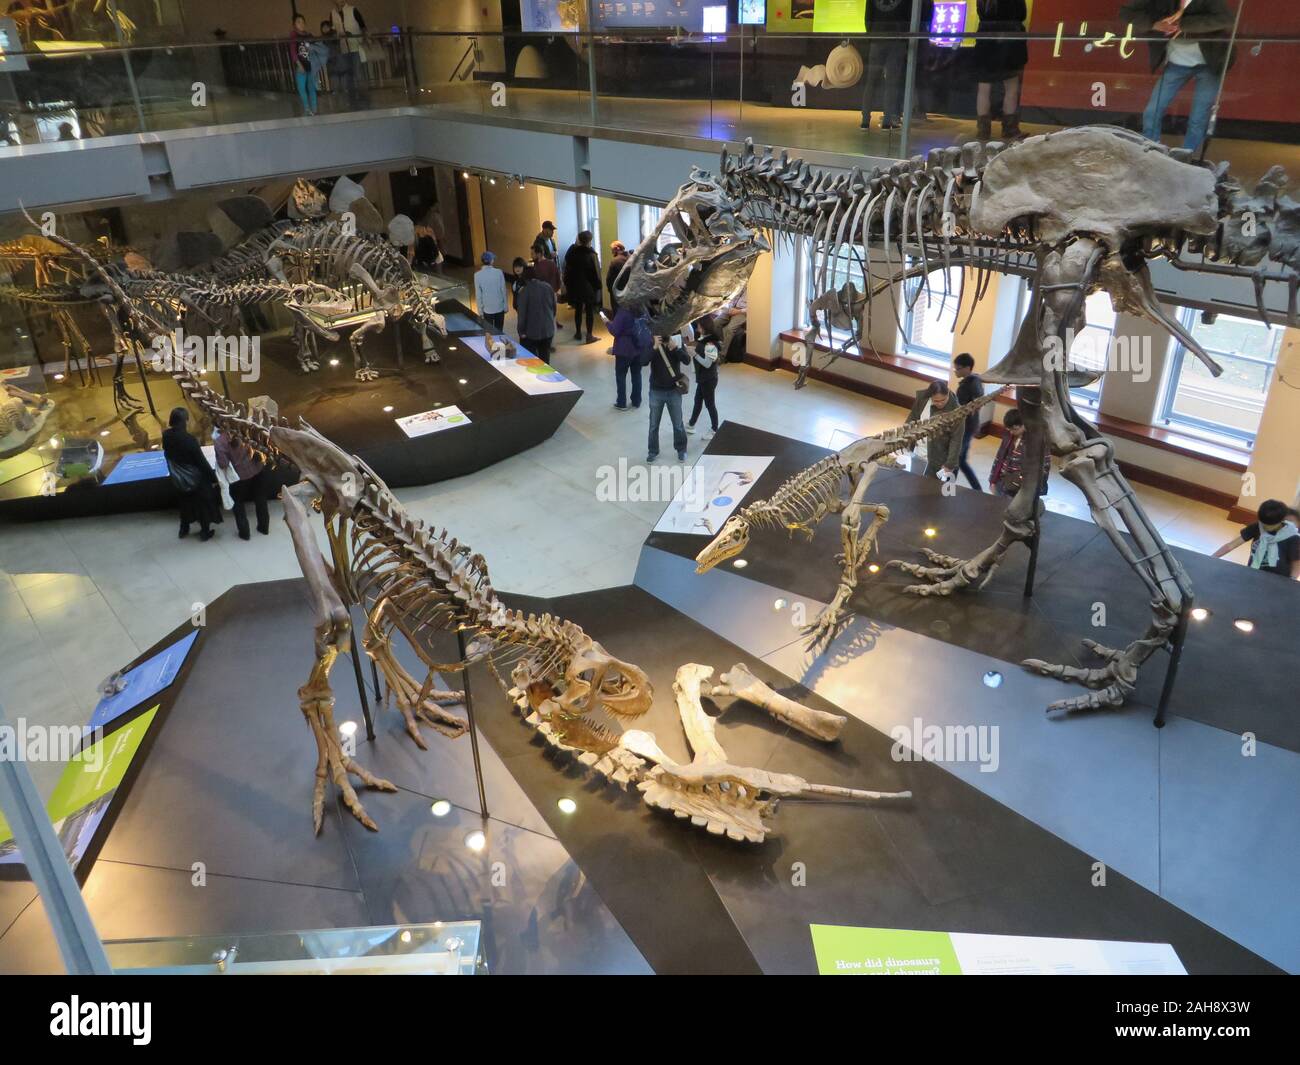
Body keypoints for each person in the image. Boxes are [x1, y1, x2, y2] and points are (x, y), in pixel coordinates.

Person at [1120, 0, 1236, 155]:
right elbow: (1126, 13)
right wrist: (1154, 24)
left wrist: (1183, 24)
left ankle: (1186, 156)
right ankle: (1150, 151)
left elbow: (1226, 19)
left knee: (1198, 117)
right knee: (1152, 111)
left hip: (1210, 62)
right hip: (1176, 63)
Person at [972, 0, 1029, 142]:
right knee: (1011, 87)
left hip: (986, 40)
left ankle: (983, 131)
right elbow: (1021, 14)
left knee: (984, 87)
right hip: (1009, 41)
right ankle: (1010, 129)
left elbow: (981, 13)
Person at [162, 407, 220, 541]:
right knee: (202, 503)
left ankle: (184, 528)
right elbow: (201, 461)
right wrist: (213, 478)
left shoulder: (166, 435)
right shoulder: (189, 440)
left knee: (184, 502)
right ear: (184, 421)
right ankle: (205, 531)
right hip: (195, 477)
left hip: (178, 476)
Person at [859, 0, 917, 131]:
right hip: (896, 39)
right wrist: (905, 38)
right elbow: (908, 17)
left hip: (877, 38)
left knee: (871, 81)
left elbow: (868, 17)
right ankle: (887, 121)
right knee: (892, 82)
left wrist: (871, 36)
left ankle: (865, 120)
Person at [1213, 499, 1300, 578]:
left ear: (1281, 520)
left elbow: (1296, 563)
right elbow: (1231, 545)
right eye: (1262, 523)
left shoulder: (1292, 537)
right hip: (1253, 572)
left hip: (1278, 579)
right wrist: (1212, 558)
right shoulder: (1258, 526)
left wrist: (1291, 581)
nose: (1264, 527)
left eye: (1268, 525)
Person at [215, 428, 272, 540]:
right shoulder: (246, 430)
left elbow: (223, 464)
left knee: (238, 504)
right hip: (258, 470)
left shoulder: (220, 442)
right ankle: (264, 527)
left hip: (240, 477)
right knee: (261, 499)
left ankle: (245, 533)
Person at [905, 380, 963, 480]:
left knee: (931, 488)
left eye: (943, 400)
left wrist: (950, 463)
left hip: (938, 457)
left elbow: (956, 440)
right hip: (918, 452)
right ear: (930, 396)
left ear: (948, 393)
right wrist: (905, 439)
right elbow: (912, 419)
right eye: (936, 401)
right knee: (914, 481)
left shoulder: (957, 411)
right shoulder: (922, 399)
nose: (940, 404)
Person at [647, 333, 690, 463]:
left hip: (673, 391)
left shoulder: (676, 341)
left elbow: (687, 360)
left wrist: (676, 348)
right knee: (654, 425)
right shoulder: (652, 342)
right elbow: (642, 361)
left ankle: (681, 449)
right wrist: (654, 346)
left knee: (678, 424)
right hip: (656, 391)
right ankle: (652, 451)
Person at [988, 408, 1050, 496]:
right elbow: (999, 458)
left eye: (1015, 429)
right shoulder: (1008, 434)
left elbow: (1044, 467)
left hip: (1020, 487)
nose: (1011, 432)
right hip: (1002, 481)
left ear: (1024, 424)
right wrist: (992, 480)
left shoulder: (1037, 440)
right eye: (1009, 429)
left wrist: (1031, 488)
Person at [952, 352, 985, 491]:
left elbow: (979, 398)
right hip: (964, 424)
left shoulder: (973, 382)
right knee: (960, 460)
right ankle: (977, 489)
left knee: (956, 458)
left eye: (958, 368)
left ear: (967, 368)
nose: (956, 371)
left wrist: (972, 408)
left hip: (967, 426)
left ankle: (947, 487)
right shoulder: (969, 381)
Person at [563, 230, 602, 344]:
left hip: (575, 286)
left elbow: (568, 271)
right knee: (589, 311)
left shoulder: (572, 253)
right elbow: (595, 274)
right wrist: (597, 287)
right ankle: (589, 335)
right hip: (588, 287)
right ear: (589, 241)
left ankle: (578, 332)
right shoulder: (591, 255)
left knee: (578, 310)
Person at [608, 303, 649, 411]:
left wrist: (607, 323)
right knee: (636, 375)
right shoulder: (642, 308)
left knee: (620, 376)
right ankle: (636, 401)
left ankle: (621, 403)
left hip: (624, 349)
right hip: (638, 347)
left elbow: (615, 330)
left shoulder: (623, 312)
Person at [515, 265, 557, 362]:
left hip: (532, 333)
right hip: (548, 330)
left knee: (532, 360)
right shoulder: (548, 287)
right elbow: (554, 308)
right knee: (545, 357)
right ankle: (546, 375)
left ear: (524, 278)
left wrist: (521, 331)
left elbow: (522, 315)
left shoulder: (524, 292)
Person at [329, 2, 367, 109]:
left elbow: (363, 26)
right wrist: (335, 35)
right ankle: (352, 100)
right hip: (343, 48)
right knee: (348, 75)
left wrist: (359, 37)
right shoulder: (332, 13)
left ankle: (363, 98)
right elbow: (332, 30)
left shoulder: (353, 9)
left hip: (355, 46)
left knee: (358, 73)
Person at [686, 337, 721, 438]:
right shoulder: (703, 341)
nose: (698, 328)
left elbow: (707, 364)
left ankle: (714, 429)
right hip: (703, 379)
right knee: (697, 400)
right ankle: (691, 424)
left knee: (710, 404)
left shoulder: (710, 345)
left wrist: (694, 354)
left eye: (700, 326)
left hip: (708, 380)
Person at [289, 14, 320, 116]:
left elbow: (316, 49)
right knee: (301, 88)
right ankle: (307, 109)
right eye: (298, 22)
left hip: (311, 65)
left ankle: (314, 109)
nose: (301, 24)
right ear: (294, 24)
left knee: (311, 87)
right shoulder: (293, 36)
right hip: (300, 66)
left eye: (302, 22)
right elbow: (293, 52)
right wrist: (298, 64)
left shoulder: (309, 36)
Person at [474, 251, 508, 331]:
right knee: (499, 330)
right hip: (499, 308)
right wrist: (505, 306)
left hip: (487, 309)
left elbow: (478, 295)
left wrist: (480, 311)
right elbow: (503, 290)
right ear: (492, 260)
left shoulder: (477, 275)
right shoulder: (499, 272)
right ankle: (499, 343)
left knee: (489, 332)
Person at [605, 241, 628, 315]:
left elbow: (609, 278)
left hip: (617, 291)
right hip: (629, 290)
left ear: (616, 249)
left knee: (617, 312)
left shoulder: (615, 261)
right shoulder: (630, 257)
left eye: (612, 250)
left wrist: (610, 289)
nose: (612, 252)